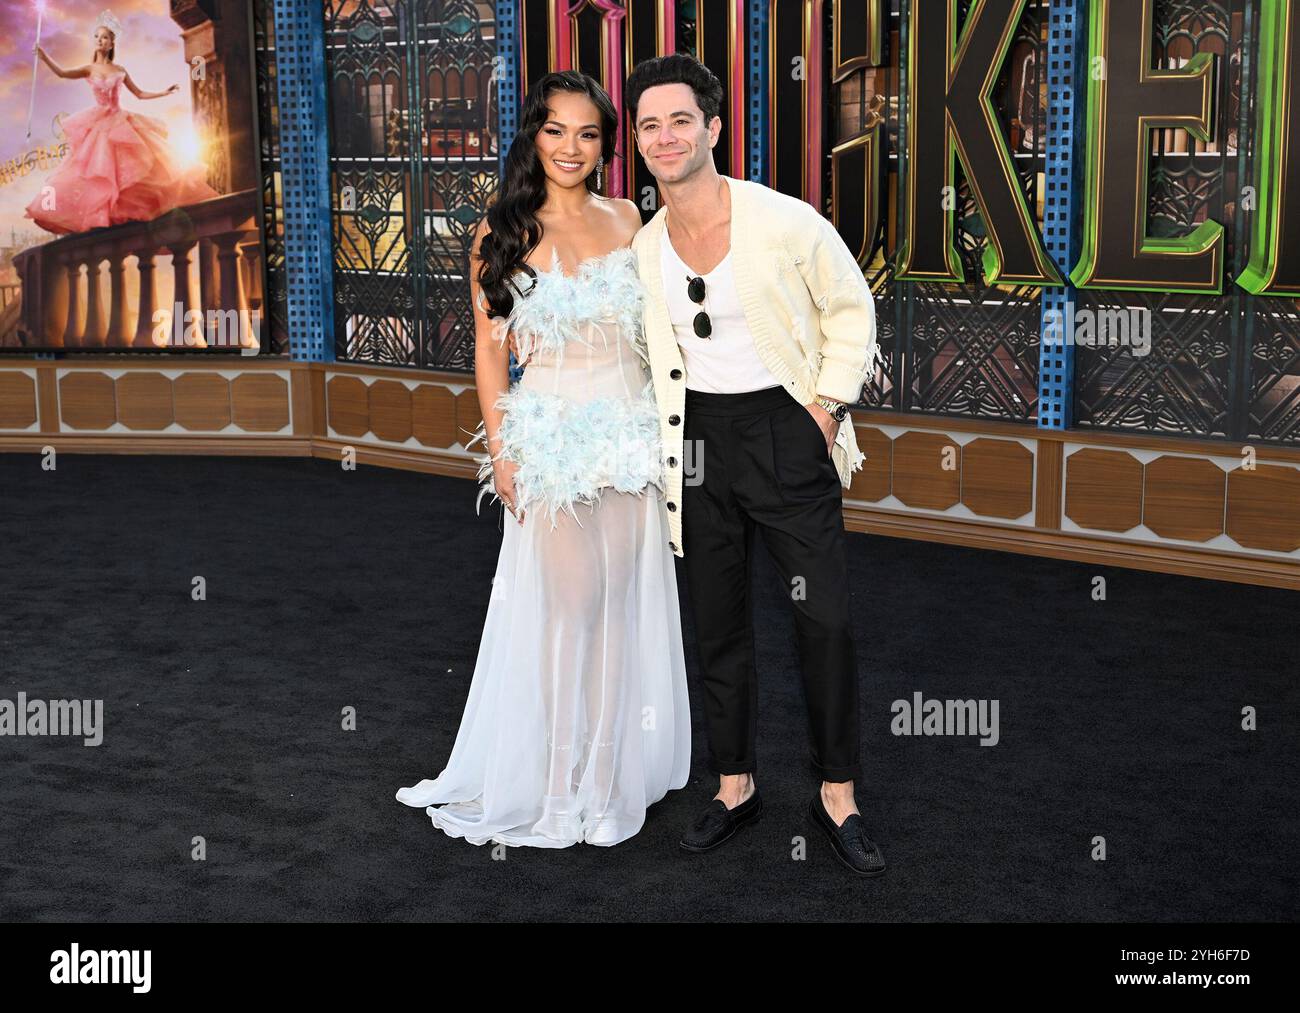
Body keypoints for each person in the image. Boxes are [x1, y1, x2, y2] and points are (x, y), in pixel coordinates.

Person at [395, 71, 691, 847]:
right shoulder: (502, 231)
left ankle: (606, 779)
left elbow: (663, 332)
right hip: (550, 438)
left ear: (606, 145)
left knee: (620, 608)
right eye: (556, 130)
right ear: (533, 135)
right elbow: (492, 357)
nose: (571, 147)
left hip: (628, 438)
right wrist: (503, 455)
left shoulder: (630, 217)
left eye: (588, 133)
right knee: (570, 609)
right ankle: (557, 790)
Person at [626, 53, 887, 875]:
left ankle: (836, 793)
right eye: (648, 125)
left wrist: (824, 407)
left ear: (713, 127)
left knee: (826, 618)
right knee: (718, 619)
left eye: (679, 120)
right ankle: (734, 784)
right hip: (695, 440)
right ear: (637, 142)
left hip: (785, 428)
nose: (664, 137)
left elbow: (852, 310)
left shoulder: (783, 219)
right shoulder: (643, 245)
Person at [25, 12, 217, 236]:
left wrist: (163, 92)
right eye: (97, 36)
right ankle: (101, 218)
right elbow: (62, 73)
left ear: (112, 43)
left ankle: (130, 218)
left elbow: (140, 94)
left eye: (105, 37)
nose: (100, 40)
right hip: (99, 123)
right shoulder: (89, 69)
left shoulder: (120, 70)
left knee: (135, 169)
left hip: (120, 120)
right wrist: (44, 56)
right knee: (96, 171)